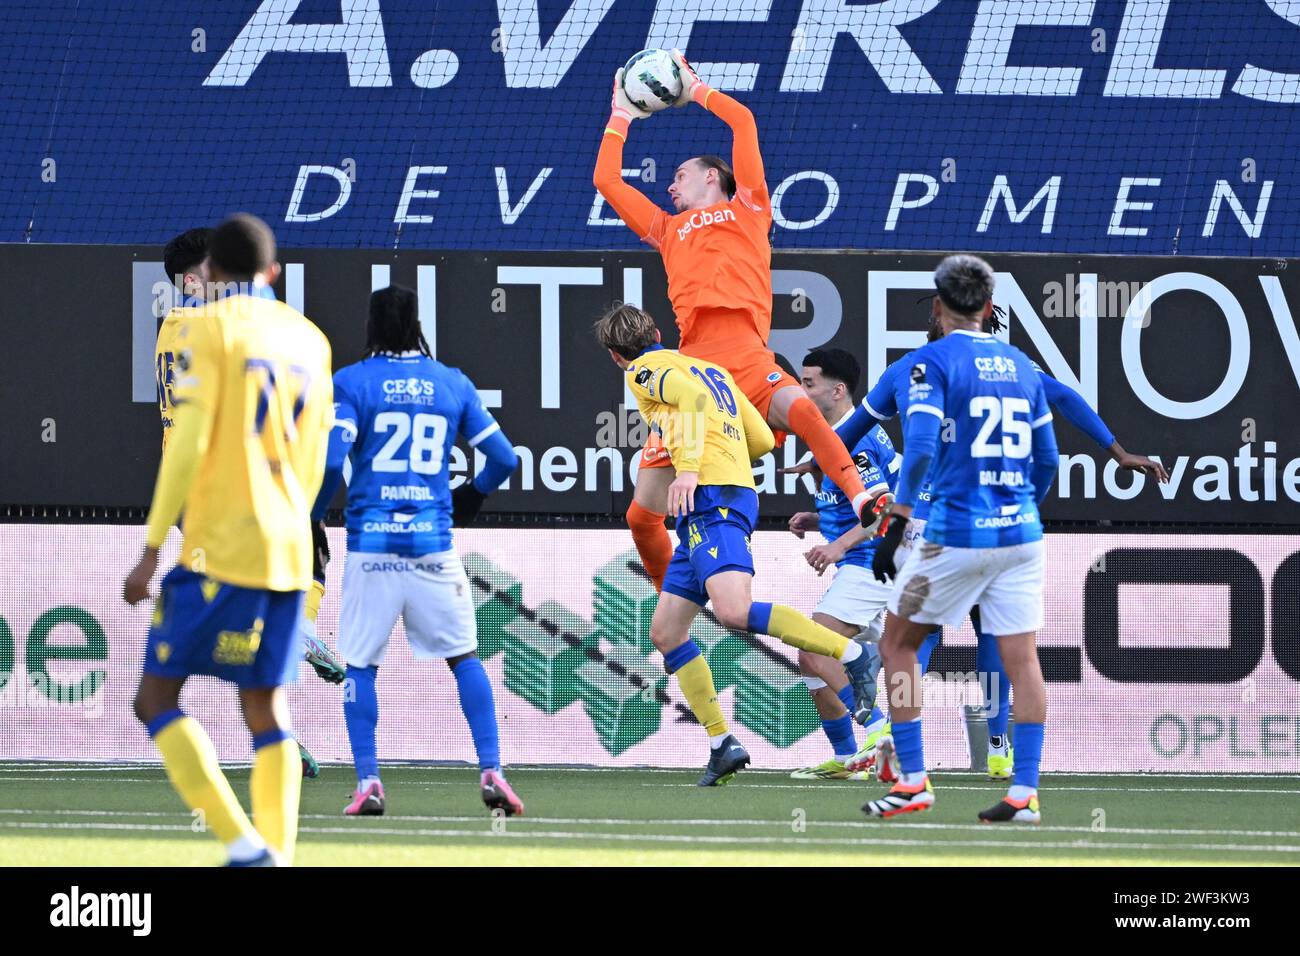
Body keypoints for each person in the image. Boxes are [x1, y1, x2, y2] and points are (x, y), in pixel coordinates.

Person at [594, 51, 874, 594]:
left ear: (713, 178)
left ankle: (865, 499)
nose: (670, 187)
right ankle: (672, 598)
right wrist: (620, 112)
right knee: (640, 518)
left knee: (808, 415)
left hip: (748, 361)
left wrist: (695, 88)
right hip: (694, 376)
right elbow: (606, 178)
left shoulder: (750, 207)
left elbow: (741, 120)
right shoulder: (665, 229)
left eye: (680, 176)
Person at [594, 304, 879, 786]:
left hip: (712, 498)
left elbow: (687, 401)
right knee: (666, 631)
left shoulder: (644, 371)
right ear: (660, 333)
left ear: (616, 357)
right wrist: (719, 452)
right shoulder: (708, 368)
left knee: (733, 611)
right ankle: (721, 743)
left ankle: (852, 657)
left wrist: (688, 468)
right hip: (712, 501)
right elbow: (764, 439)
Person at [125, 213, 333, 865]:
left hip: (217, 532)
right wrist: (295, 513)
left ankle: (244, 844)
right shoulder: (310, 338)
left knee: (155, 697)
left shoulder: (197, 328)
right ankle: (279, 852)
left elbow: (185, 442)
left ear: (210, 273)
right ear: (273, 273)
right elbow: (317, 448)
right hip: (288, 539)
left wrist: (153, 547)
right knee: (268, 710)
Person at [311, 285, 523, 817]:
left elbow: (333, 464)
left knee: (360, 666)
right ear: (417, 326)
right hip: (434, 544)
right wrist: (468, 497)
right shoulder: (451, 382)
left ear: (371, 327)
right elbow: (503, 459)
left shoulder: (352, 383)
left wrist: (310, 515)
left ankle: (369, 782)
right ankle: (492, 768)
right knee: (464, 658)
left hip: (372, 546)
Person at [863, 256, 1057, 824]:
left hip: (954, 534)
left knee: (897, 645)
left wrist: (896, 521)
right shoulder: (1023, 365)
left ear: (938, 307)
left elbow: (919, 449)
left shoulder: (930, 362)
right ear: (989, 308)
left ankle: (914, 783)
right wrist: (1020, 506)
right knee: (1022, 662)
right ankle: (1024, 793)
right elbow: (1048, 457)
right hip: (1021, 533)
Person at [154, 228, 344, 781]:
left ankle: (284, 737)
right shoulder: (225, 329)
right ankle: (300, 643)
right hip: (243, 486)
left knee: (236, 629)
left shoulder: (171, 327)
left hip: (194, 496)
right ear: (195, 278)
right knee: (295, 578)